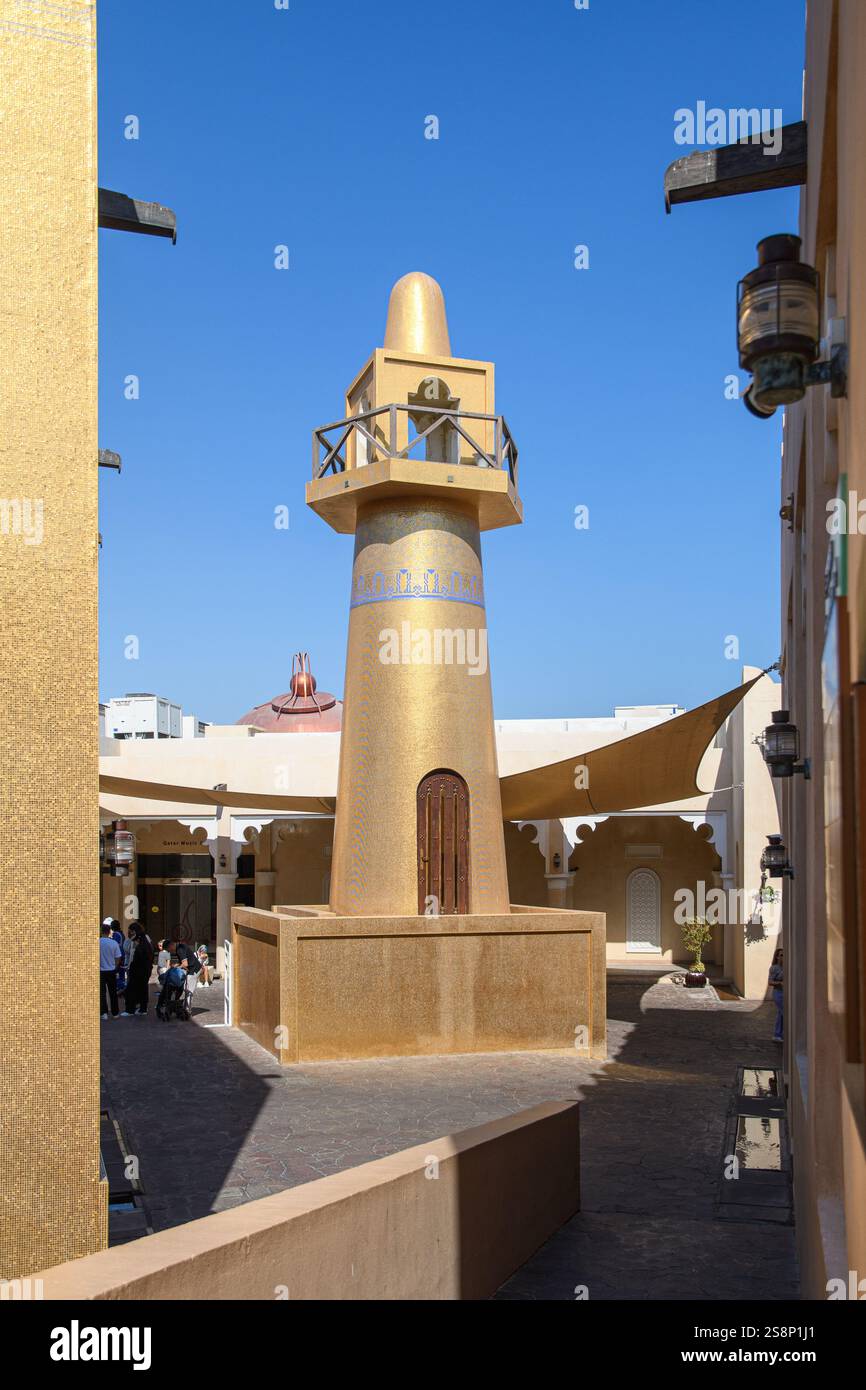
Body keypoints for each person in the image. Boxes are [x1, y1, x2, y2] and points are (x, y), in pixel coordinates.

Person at [122, 923, 154, 1016]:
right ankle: (142, 1009)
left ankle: (130, 1010)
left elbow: (139, 956)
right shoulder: (142, 940)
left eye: (130, 931)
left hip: (138, 970)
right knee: (142, 989)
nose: (129, 933)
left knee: (131, 990)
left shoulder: (140, 942)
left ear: (135, 931)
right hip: (143, 970)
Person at [99, 922, 122, 1019]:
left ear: (101, 931)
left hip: (100, 971)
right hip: (111, 970)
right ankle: (115, 1013)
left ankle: (103, 1013)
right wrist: (115, 966)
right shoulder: (114, 943)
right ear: (109, 932)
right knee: (113, 992)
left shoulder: (97, 942)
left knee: (102, 993)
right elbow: (118, 957)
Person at [769, 947, 784, 1041]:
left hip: (785, 993)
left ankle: (778, 1034)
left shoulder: (788, 966)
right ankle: (778, 1034)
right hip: (778, 993)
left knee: (781, 1013)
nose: (783, 957)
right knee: (784, 1012)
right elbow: (770, 982)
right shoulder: (774, 968)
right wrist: (779, 983)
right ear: (777, 957)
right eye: (781, 955)